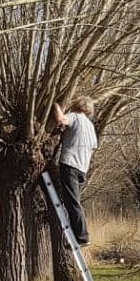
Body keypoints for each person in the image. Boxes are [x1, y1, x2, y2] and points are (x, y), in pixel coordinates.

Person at [51, 96, 98, 244]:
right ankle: (75, 235)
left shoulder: (75, 117)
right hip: (83, 168)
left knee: (72, 202)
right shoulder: (90, 126)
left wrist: (54, 103)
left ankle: (82, 237)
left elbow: (61, 119)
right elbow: (93, 147)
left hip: (70, 164)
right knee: (72, 202)